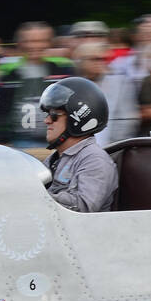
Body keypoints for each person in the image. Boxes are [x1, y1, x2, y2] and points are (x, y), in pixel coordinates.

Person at [38, 76, 118, 213]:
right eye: (47, 114)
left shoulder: (94, 160)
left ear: (78, 119)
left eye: (54, 115)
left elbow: (83, 207)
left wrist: (37, 197)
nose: (47, 120)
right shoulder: (56, 159)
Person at [0, 21, 74, 148]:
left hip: (57, 139)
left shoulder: (61, 71)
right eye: (30, 41)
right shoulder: (9, 74)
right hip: (19, 142)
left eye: (40, 41)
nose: (35, 46)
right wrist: (1, 141)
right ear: (21, 43)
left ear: (48, 42)